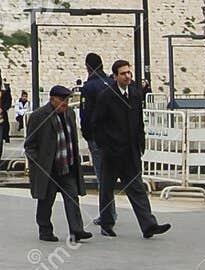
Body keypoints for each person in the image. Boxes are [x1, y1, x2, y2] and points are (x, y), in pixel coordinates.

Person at [86, 60, 170, 239]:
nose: (127, 76)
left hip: (131, 151)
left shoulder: (135, 94)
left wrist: (140, 143)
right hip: (112, 152)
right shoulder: (106, 96)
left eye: (129, 73)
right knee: (107, 188)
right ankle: (107, 223)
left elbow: (139, 121)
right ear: (115, 76)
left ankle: (149, 225)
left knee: (137, 188)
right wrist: (105, 145)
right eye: (123, 73)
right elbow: (97, 123)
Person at [24, 85, 91, 242]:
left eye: (67, 101)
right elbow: (30, 145)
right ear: (52, 99)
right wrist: (37, 163)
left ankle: (76, 230)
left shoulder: (70, 114)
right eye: (62, 100)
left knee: (72, 198)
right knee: (46, 201)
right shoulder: (39, 116)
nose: (65, 104)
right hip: (48, 168)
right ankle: (45, 230)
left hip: (67, 165)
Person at [78, 52, 108, 189]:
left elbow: (85, 113)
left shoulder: (89, 87)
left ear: (87, 67)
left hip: (96, 136)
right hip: (113, 135)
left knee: (102, 175)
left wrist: (87, 134)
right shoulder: (111, 83)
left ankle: (107, 203)